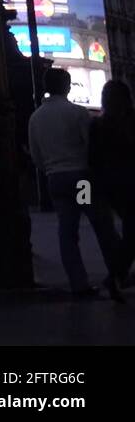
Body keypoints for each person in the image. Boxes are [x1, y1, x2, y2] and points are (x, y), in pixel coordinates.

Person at [29, 67, 124, 301]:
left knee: (67, 231)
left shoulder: (36, 117)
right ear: (67, 85)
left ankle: (78, 283)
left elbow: (36, 154)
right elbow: (89, 147)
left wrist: (49, 168)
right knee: (100, 223)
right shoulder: (77, 113)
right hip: (80, 177)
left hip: (55, 178)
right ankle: (117, 273)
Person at [90, 80, 135, 283]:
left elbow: (92, 160)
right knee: (131, 231)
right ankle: (117, 272)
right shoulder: (131, 120)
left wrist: (89, 193)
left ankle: (117, 272)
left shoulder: (98, 124)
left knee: (128, 228)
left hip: (112, 186)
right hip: (130, 182)